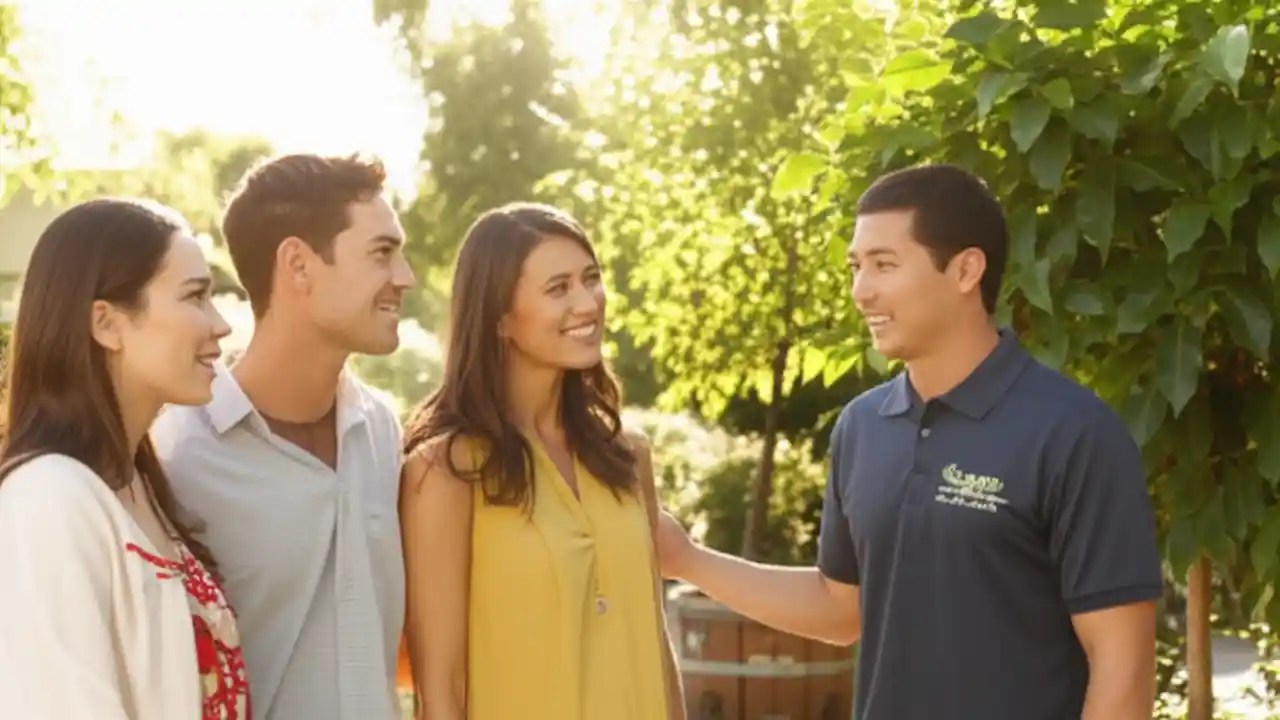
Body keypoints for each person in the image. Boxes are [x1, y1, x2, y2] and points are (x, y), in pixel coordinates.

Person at [655, 164, 1163, 720]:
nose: (860, 291)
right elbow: (839, 609)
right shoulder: (861, 427)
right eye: (856, 267)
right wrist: (687, 559)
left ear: (966, 270)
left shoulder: (1074, 432)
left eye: (884, 265)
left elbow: (1123, 663)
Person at [150, 153, 415, 720]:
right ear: (297, 265)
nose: (406, 277)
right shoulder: (174, 452)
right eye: (382, 254)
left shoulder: (382, 432)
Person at [399, 202, 685, 720]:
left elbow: (656, 638)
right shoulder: (446, 471)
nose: (587, 302)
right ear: (500, 319)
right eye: (558, 288)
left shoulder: (627, 456)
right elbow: (440, 689)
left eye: (591, 279)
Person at [0, 198, 246, 719]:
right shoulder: (49, 497)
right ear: (107, 323)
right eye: (195, 296)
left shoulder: (138, 487)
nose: (220, 324)